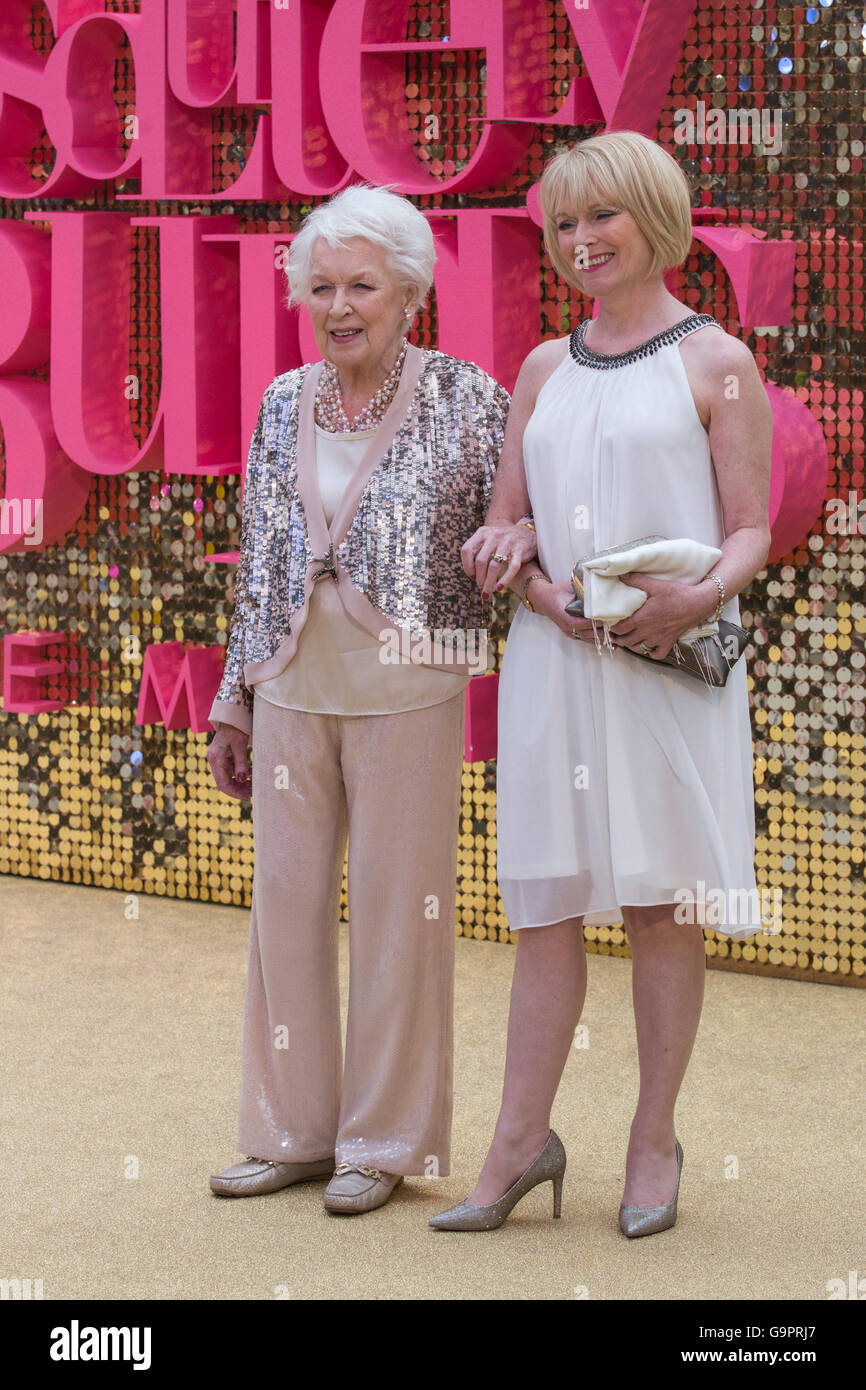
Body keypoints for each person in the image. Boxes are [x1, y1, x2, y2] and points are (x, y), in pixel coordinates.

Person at [432, 131, 772, 1234]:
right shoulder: (540, 366)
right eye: (563, 224)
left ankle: (651, 1138)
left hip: (668, 667)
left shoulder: (714, 359)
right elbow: (501, 530)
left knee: (663, 909)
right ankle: (517, 1142)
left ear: (654, 220)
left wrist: (691, 600)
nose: (580, 241)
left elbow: (749, 529)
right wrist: (522, 581)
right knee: (543, 906)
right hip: (555, 669)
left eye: (601, 218)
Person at [205, 184, 515, 1214]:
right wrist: (232, 697)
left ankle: (379, 1140)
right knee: (282, 914)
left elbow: (517, 528)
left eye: (362, 287)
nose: (339, 306)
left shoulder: (468, 397)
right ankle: (288, 1129)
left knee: (398, 917)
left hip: (410, 686)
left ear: (409, 293)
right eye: (321, 286)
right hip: (291, 684)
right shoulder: (281, 401)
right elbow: (259, 557)